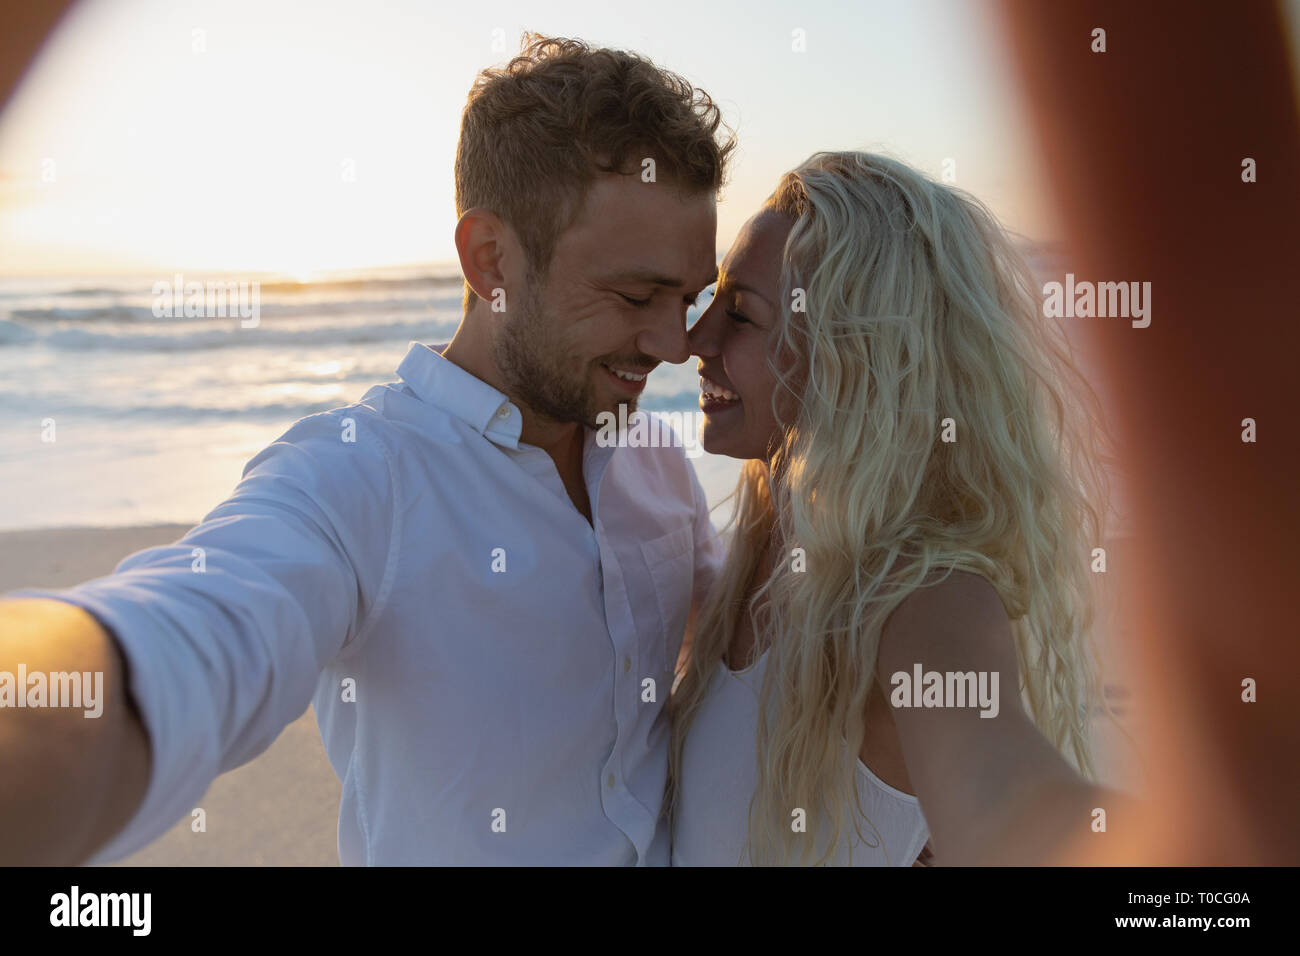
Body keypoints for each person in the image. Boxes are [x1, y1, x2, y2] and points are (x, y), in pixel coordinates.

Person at [0, 35, 730, 866]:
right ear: (491, 260)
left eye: (689, 296)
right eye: (635, 295)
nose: (674, 343)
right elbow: (201, 631)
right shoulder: (354, 477)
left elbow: (724, 663)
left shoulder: (657, 457)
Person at [668, 150, 1127, 866]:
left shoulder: (918, 593)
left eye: (741, 315)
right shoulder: (754, 553)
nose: (692, 342)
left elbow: (1010, 801)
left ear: (854, 355)